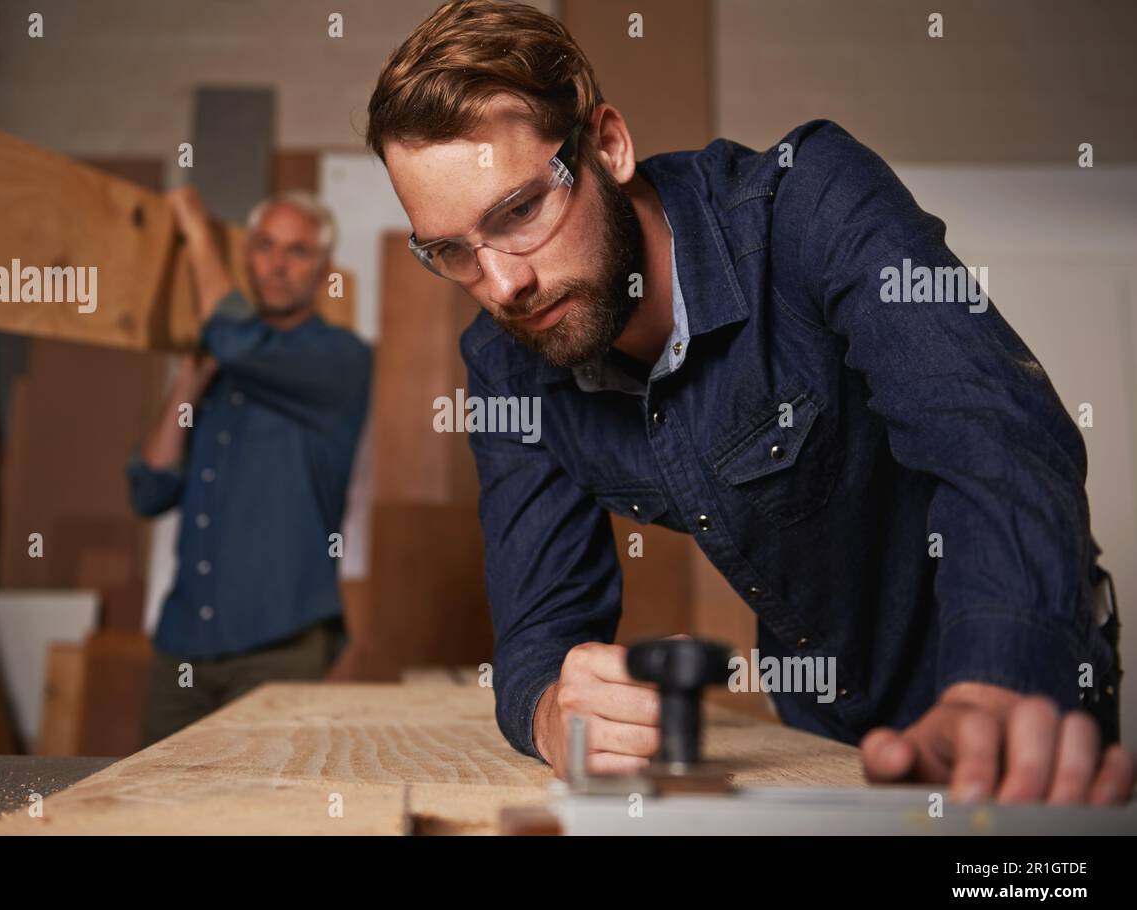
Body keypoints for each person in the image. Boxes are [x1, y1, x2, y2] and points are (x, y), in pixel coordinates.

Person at [364, 0, 1131, 804]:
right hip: (818, 728)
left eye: (519, 211)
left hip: (1013, 691)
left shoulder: (810, 204)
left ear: (609, 146)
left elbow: (996, 442)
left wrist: (995, 685)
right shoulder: (505, 360)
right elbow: (539, 626)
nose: (503, 284)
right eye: (452, 251)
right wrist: (552, 709)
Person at [127, 188, 371, 746]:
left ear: (324, 268)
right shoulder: (222, 366)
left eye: (298, 251)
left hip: (278, 646)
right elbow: (149, 489)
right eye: (264, 246)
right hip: (180, 647)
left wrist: (193, 222)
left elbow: (238, 340)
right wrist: (192, 376)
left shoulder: (339, 361)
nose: (278, 265)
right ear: (247, 256)